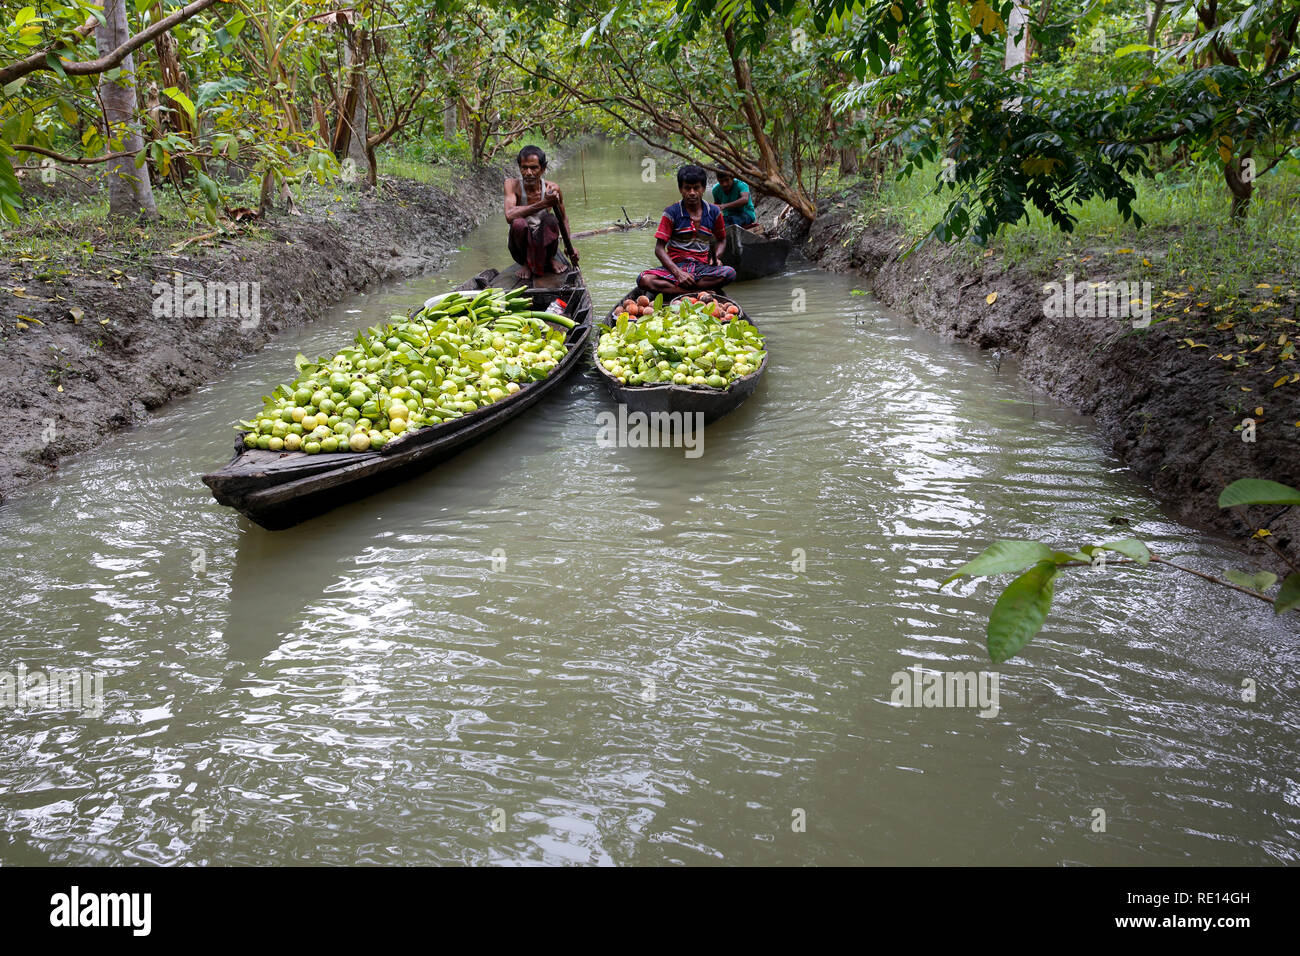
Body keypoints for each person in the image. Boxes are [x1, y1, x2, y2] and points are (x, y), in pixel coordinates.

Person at [637, 164, 736, 295]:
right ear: (680, 189)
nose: (692, 193)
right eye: (687, 188)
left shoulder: (714, 212)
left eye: (696, 188)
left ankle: (679, 290)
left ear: (703, 188)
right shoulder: (671, 212)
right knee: (644, 279)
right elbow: (659, 249)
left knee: (729, 273)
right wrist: (678, 273)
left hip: (702, 268)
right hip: (675, 266)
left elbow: (722, 240)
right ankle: (695, 291)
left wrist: (715, 258)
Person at [504, 145, 578, 280]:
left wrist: (570, 248)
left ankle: (549, 259)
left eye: (534, 168)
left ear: (543, 169)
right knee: (518, 223)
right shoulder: (511, 185)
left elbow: (564, 219)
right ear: (519, 168)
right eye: (524, 167)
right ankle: (527, 263)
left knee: (551, 220)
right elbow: (509, 215)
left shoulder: (552, 188)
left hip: (545, 245)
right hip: (520, 248)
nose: (528, 172)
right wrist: (543, 204)